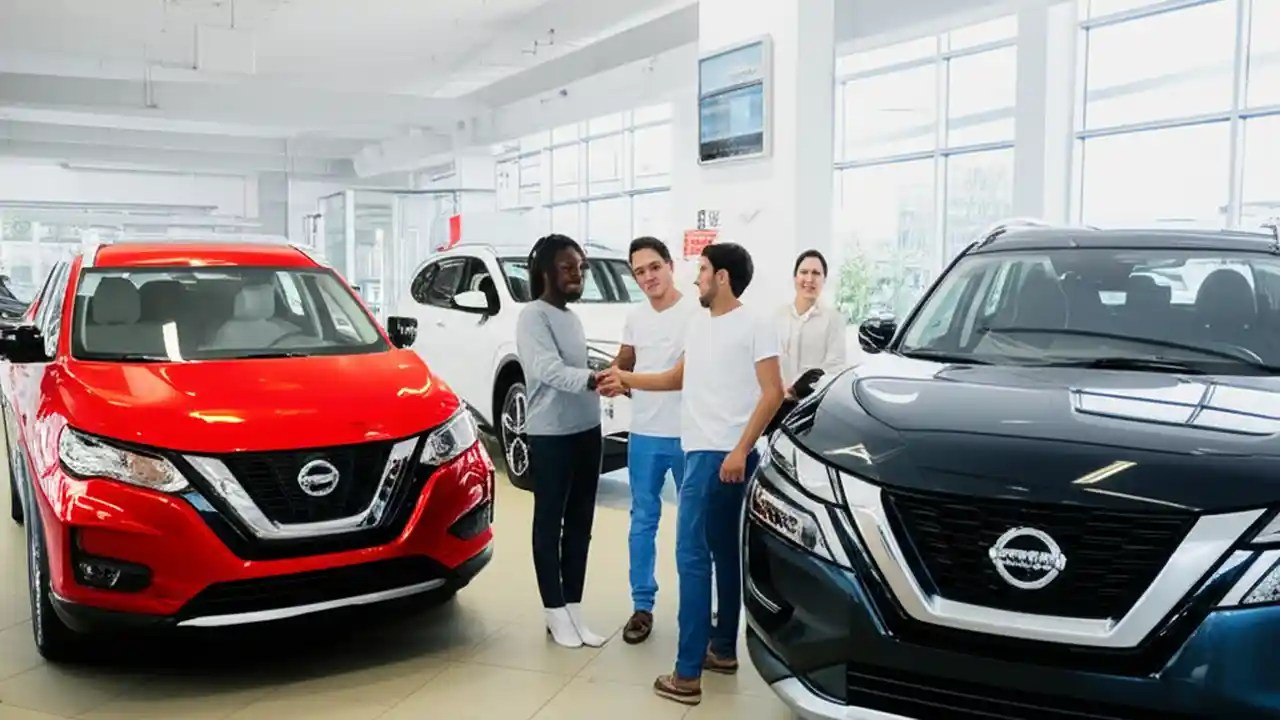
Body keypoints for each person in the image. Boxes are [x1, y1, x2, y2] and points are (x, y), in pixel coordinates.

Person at [599, 242, 785, 706]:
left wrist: (741, 449)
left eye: (702, 269)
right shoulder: (700, 325)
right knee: (720, 550)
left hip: (721, 455)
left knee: (694, 557)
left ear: (722, 277)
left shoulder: (757, 324)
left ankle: (686, 675)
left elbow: (773, 393)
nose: (696, 276)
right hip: (703, 449)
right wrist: (626, 379)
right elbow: (676, 377)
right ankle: (721, 650)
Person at [515, 233, 608, 649]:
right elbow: (548, 370)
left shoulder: (571, 316)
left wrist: (608, 375)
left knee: (581, 524)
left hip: (587, 430)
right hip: (551, 434)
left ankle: (572, 607)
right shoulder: (533, 316)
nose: (578, 274)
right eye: (569, 267)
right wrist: (595, 379)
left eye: (581, 267)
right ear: (546, 271)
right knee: (549, 522)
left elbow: (573, 366)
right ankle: (553, 610)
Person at [610, 236, 700, 645]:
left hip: (689, 434)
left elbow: (679, 377)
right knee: (642, 522)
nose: (648, 277)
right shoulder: (635, 316)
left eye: (654, 267)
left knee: (693, 526)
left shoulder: (696, 313)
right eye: (639, 271)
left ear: (670, 266)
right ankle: (642, 605)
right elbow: (623, 363)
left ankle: (698, 607)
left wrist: (625, 380)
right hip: (644, 433)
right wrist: (610, 378)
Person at [777, 249, 847, 400]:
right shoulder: (777, 317)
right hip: (776, 403)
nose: (809, 279)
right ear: (795, 277)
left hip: (812, 405)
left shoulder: (834, 320)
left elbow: (835, 368)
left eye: (816, 273)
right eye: (804, 272)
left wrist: (801, 390)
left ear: (824, 280)